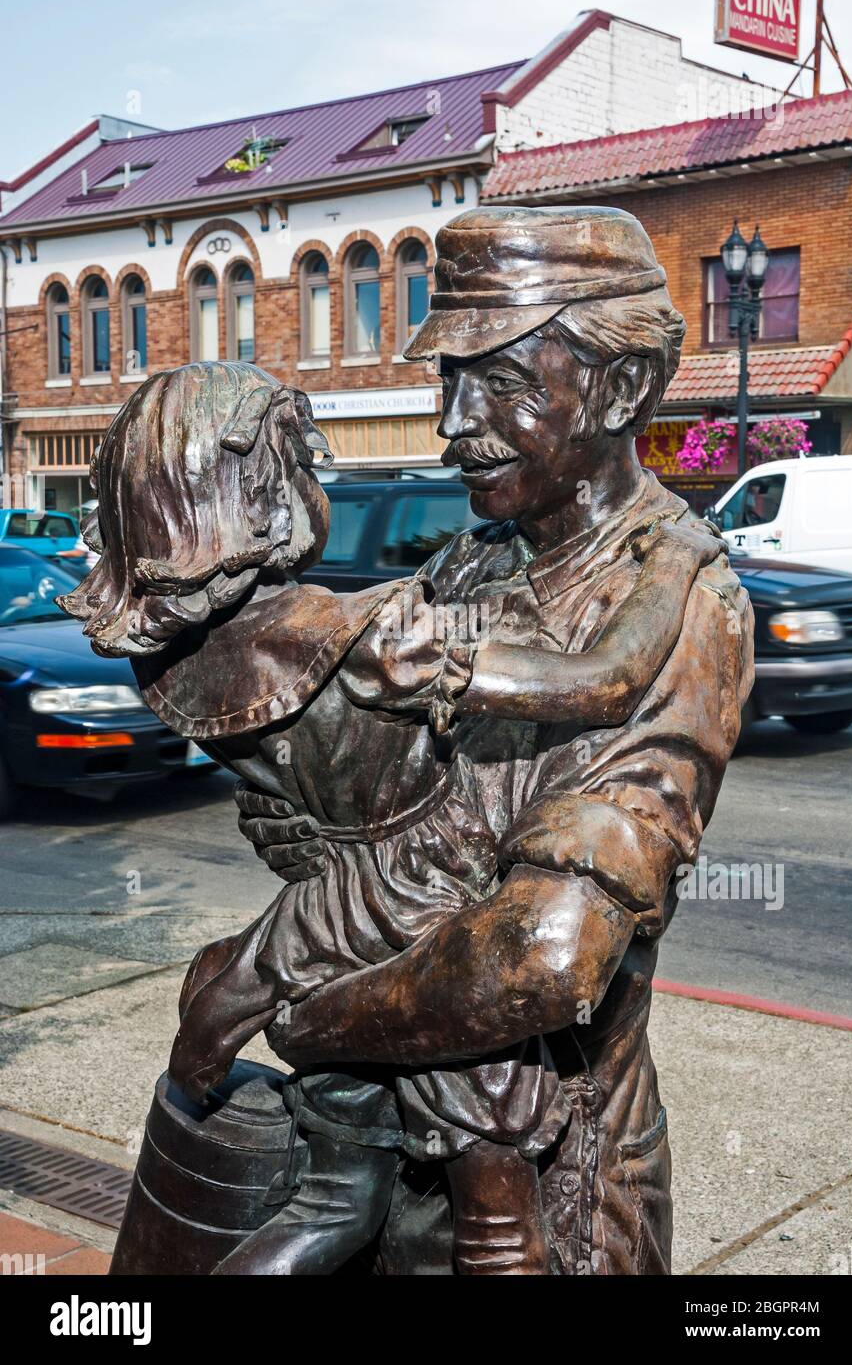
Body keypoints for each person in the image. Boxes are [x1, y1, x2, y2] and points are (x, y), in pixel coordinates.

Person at [61, 354, 724, 1276]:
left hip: (324, 914)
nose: (454, 423)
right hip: (419, 898)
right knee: (491, 1175)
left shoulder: (177, 658)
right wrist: (679, 563)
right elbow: (602, 679)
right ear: (255, 495)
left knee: (335, 1195)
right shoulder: (353, 632)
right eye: (301, 465)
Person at [236, 206, 755, 1275]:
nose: (454, 424)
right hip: (406, 1141)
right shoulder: (471, 567)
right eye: (448, 382)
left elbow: (541, 958)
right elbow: (369, 778)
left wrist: (307, 1015)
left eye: (503, 381)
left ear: (616, 392)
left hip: (554, 1183)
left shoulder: (682, 603)